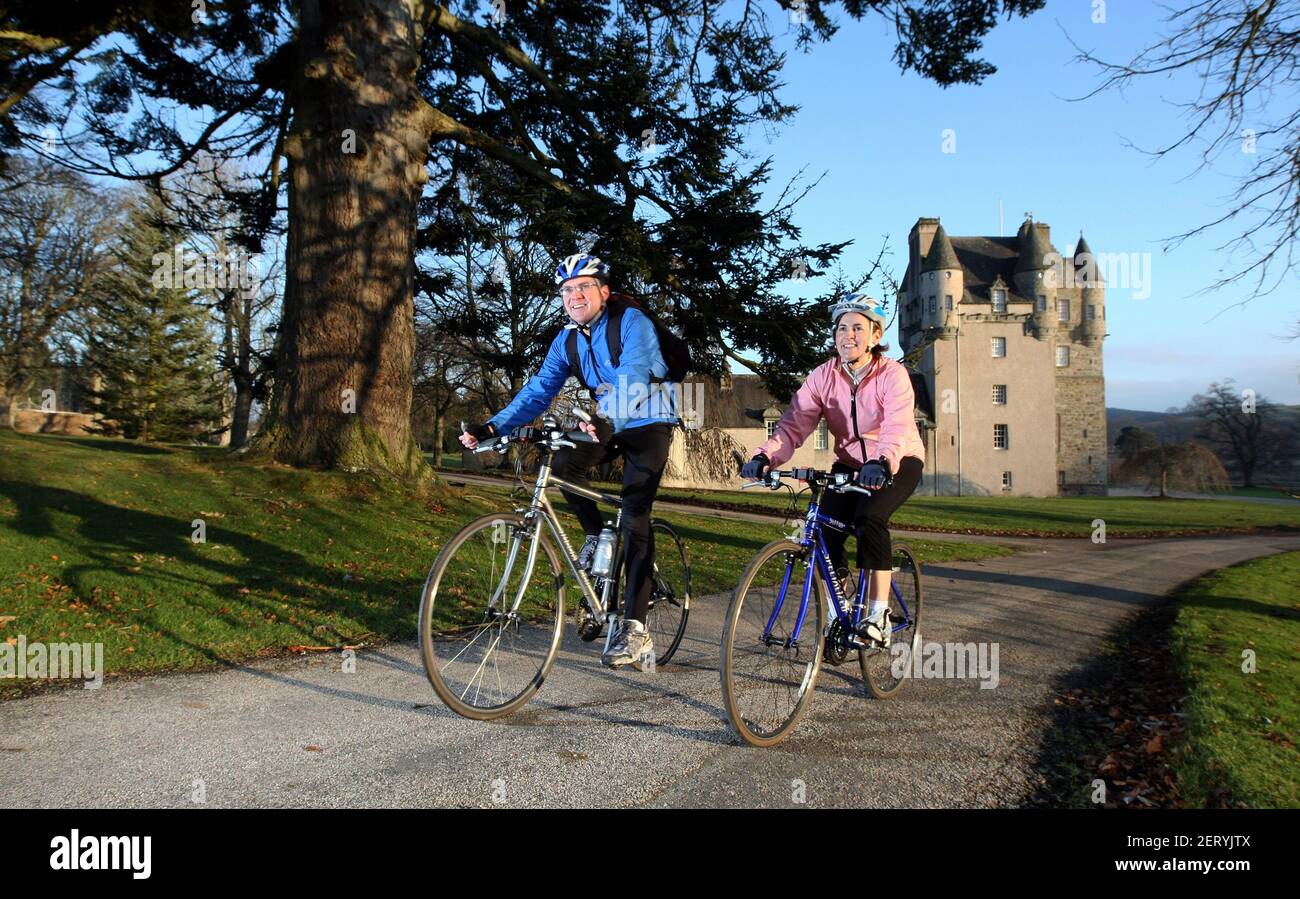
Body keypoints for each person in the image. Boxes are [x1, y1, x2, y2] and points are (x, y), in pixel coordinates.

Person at [460, 253, 679, 671]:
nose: (574, 295)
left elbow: (633, 374)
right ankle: (596, 536)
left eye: (583, 287)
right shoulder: (568, 340)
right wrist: (493, 427)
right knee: (562, 463)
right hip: (605, 421)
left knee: (635, 516)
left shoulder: (633, 323)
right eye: (567, 290)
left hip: (649, 421)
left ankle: (633, 625)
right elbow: (538, 392)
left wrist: (607, 415)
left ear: (603, 292)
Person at [740, 294, 925, 645]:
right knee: (825, 528)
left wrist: (882, 461)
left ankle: (877, 613)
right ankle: (838, 610)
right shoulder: (823, 376)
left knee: (870, 518)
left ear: (874, 336)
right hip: (851, 465)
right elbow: (795, 424)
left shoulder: (892, 375)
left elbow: (897, 426)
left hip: (897, 460)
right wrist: (765, 457)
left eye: (858, 327)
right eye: (842, 328)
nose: (848, 335)